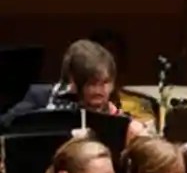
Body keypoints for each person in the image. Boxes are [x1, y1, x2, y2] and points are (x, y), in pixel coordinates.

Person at [0, 40, 148, 140]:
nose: (99, 91)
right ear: (72, 80)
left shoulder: (117, 116)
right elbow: (5, 125)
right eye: (91, 84)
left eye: (105, 83)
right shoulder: (42, 97)